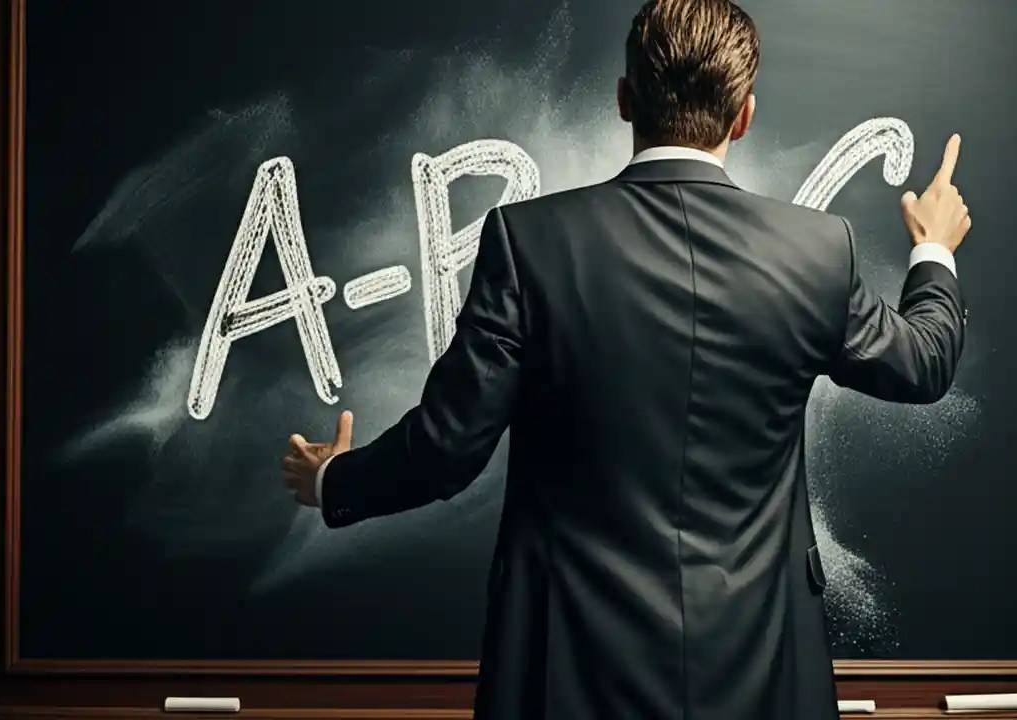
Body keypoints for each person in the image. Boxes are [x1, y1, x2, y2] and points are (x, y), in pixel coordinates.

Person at [279, 0, 969, 716]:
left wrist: (335, 480)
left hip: (568, 678)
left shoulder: (529, 244)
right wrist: (934, 248)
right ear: (743, 115)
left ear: (624, 99)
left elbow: (448, 450)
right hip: (761, 678)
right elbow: (923, 363)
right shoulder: (818, 251)